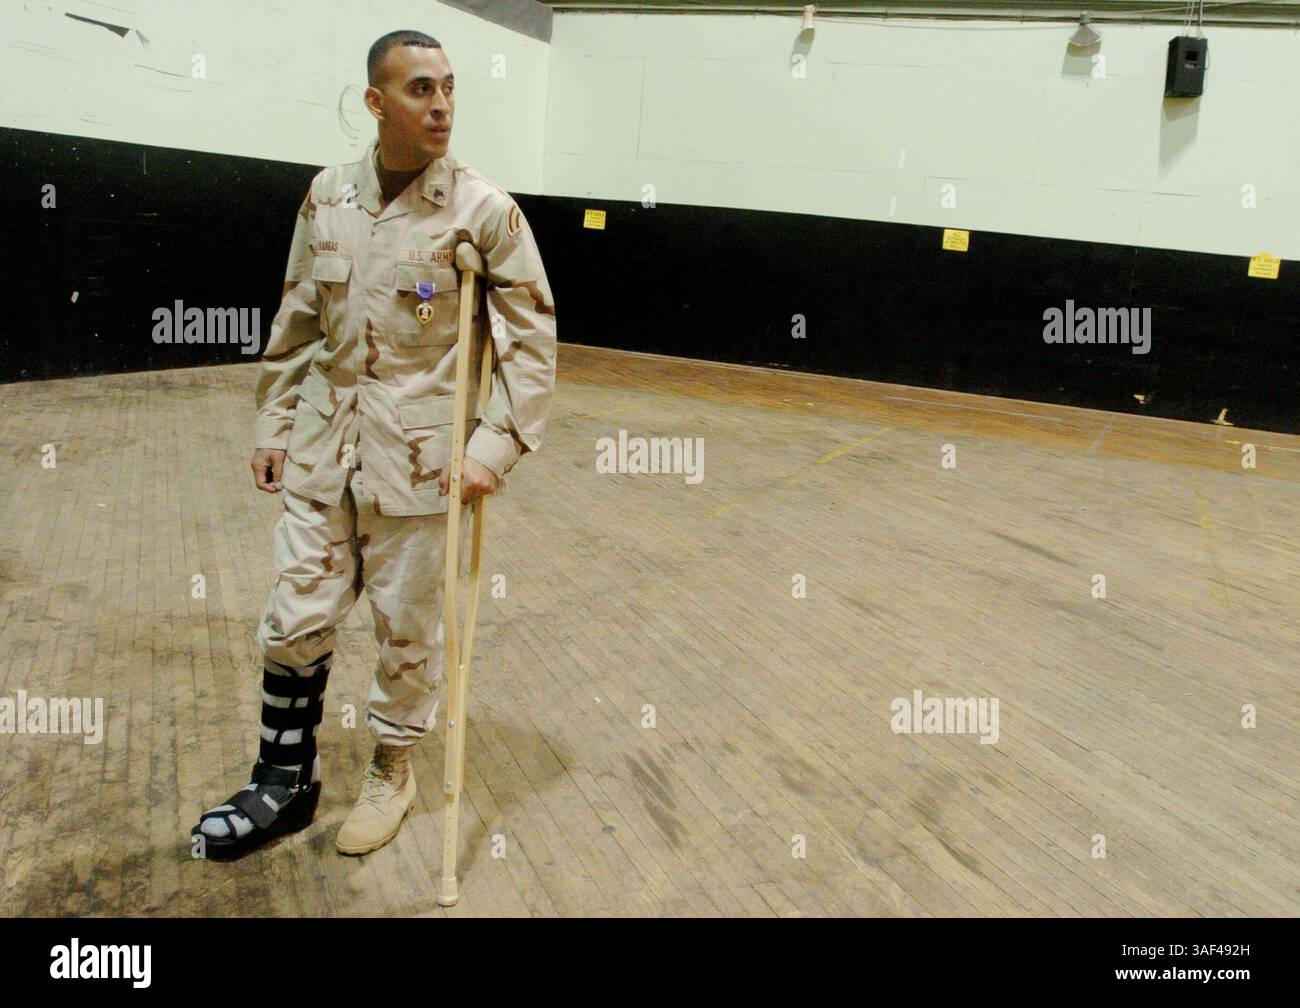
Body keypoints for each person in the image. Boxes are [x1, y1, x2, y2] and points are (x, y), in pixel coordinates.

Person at [191, 29, 557, 858]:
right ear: (376, 102)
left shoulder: (484, 211)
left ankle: (393, 770)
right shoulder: (327, 198)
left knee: (406, 633)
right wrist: (272, 422)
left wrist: (491, 449)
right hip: (326, 450)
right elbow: (297, 320)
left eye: (451, 89)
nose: (442, 106)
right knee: (295, 614)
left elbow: (532, 344)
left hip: (424, 468)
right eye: (421, 89)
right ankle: (282, 778)